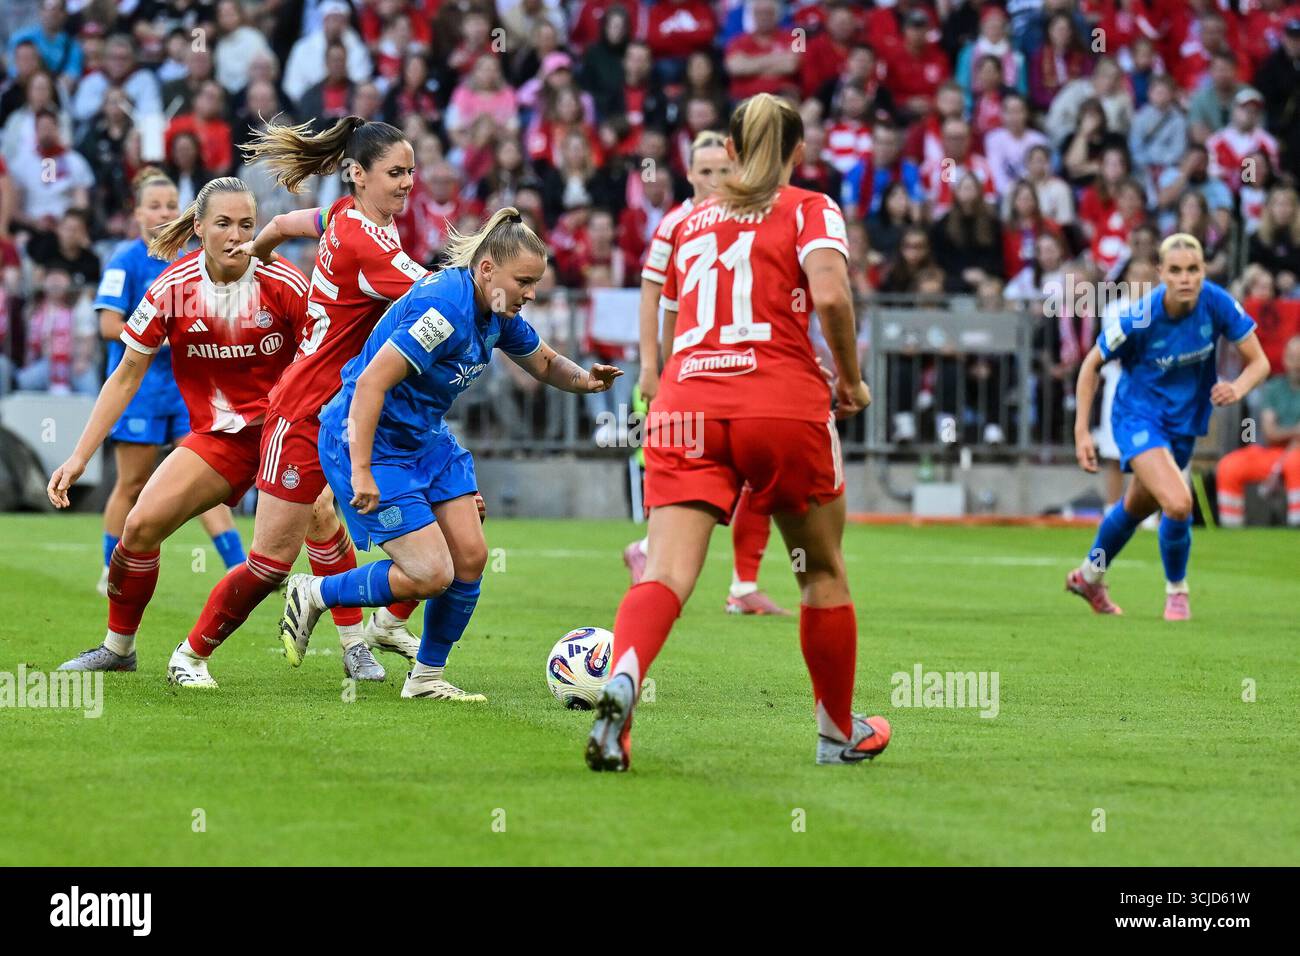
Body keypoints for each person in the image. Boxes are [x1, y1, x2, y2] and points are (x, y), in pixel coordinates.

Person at [585, 93, 889, 773]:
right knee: (820, 572)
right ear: (797, 153)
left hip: (687, 405)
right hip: (778, 405)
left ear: (731, 149)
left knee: (664, 570)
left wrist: (655, 375)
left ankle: (625, 678)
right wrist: (851, 379)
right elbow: (833, 295)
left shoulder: (689, 222)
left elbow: (660, 307)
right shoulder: (810, 208)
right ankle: (837, 733)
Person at [277, 208, 621, 701]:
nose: (531, 293)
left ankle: (426, 678)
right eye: (524, 281)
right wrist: (358, 471)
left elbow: (544, 362)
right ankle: (313, 593)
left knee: (471, 558)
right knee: (430, 573)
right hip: (370, 442)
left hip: (425, 441)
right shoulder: (445, 311)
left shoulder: (497, 312)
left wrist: (585, 380)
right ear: (486, 270)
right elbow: (371, 382)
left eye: (535, 283)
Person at [176, 116, 432, 683]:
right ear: (357, 174)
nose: (408, 182)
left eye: (412, 172)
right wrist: (490, 279)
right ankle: (189, 656)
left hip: (348, 411)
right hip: (304, 412)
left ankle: (366, 635)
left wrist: (263, 243)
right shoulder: (367, 242)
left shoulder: (346, 217)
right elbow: (436, 294)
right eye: (395, 172)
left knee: (439, 514)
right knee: (269, 563)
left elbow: (296, 219)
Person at [48, 177, 306, 682]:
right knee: (140, 528)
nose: (237, 236)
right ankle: (119, 648)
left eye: (247, 225)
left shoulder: (286, 283)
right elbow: (124, 375)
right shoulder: (172, 288)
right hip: (220, 439)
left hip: (289, 431)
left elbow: (327, 363)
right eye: (224, 224)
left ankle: (354, 646)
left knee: (313, 525)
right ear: (198, 228)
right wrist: (78, 456)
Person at [624, 130, 787, 615]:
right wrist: (654, 368)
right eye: (706, 172)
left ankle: (741, 585)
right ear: (690, 174)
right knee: (684, 474)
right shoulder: (677, 222)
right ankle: (655, 554)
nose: (715, 180)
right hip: (687, 372)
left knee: (754, 474)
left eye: (724, 171)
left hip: (735, 368)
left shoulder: (747, 219)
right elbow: (655, 295)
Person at [1068, 234, 1271, 621]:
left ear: (1203, 271)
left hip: (1181, 426)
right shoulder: (1141, 315)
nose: (1185, 278)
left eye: (1193, 269)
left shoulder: (1216, 302)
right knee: (1178, 503)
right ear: (1160, 273)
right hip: (1137, 418)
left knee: (1132, 510)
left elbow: (1258, 362)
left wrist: (1236, 387)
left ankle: (1089, 575)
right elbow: (1091, 363)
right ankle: (1176, 591)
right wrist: (1082, 431)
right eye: (1175, 270)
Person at [90, 168, 245, 599]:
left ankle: (238, 567)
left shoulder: (193, 259)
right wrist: (154, 335)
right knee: (134, 483)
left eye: (170, 205)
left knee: (205, 475)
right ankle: (110, 567)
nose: (163, 212)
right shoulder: (125, 260)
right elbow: (107, 326)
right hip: (138, 389)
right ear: (136, 213)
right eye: (154, 205)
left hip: (184, 388)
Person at [1215, 336, 1300, 528]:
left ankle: (1297, 527)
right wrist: (1295, 431)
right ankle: (1232, 530)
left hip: (1295, 457)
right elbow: (1270, 433)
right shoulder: (1272, 389)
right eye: (1292, 357)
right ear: (1284, 359)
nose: (1296, 363)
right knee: (1229, 465)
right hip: (1273, 453)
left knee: (1297, 462)